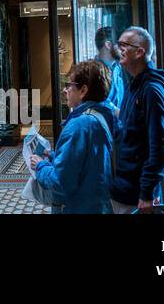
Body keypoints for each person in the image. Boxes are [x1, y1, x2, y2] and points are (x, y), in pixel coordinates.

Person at [30, 60, 115, 213]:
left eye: (69, 85)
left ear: (83, 90)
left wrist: (40, 165)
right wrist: (54, 155)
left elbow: (61, 183)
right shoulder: (100, 115)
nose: (65, 90)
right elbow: (87, 163)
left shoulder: (80, 125)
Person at [111, 26, 164, 213]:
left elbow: (158, 145)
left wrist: (147, 193)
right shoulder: (135, 83)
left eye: (123, 44)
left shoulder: (151, 90)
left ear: (140, 52)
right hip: (124, 187)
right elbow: (130, 124)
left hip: (136, 195)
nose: (118, 49)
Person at [94, 27, 125, 113]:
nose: (123, 49)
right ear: (108, 45)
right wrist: (117, 112)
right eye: (120, 45)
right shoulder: (93, 72)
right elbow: (96, 101)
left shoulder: (118, 67)